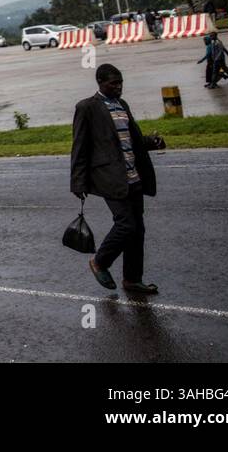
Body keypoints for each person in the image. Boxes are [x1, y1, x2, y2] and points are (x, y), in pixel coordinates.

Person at [70, 63, 167, 294]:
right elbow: (79, 147)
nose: (118, 87)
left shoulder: (122, 105)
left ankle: (132, 279)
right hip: (110, 178)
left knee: (138, 230)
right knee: (126, 225)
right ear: (100, 83)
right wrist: (78, 182)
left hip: (133, 176)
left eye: (120, 82)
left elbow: (131, 139)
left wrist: (151, 142)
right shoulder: (87, 107)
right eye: (113, 83)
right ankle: (100, 262)